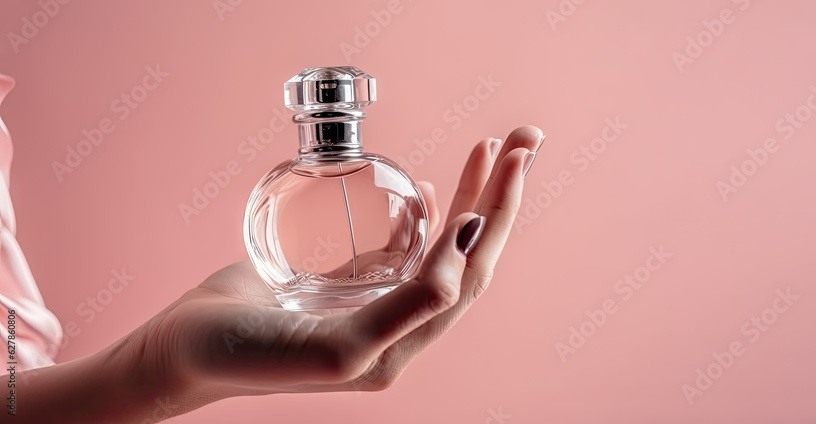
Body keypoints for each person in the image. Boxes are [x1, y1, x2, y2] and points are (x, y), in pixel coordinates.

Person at [0, 73, 544, 423]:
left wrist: (143, 373)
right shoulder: (300, 186)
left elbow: (16, 377)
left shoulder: (380, 180)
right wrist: (149, 367)